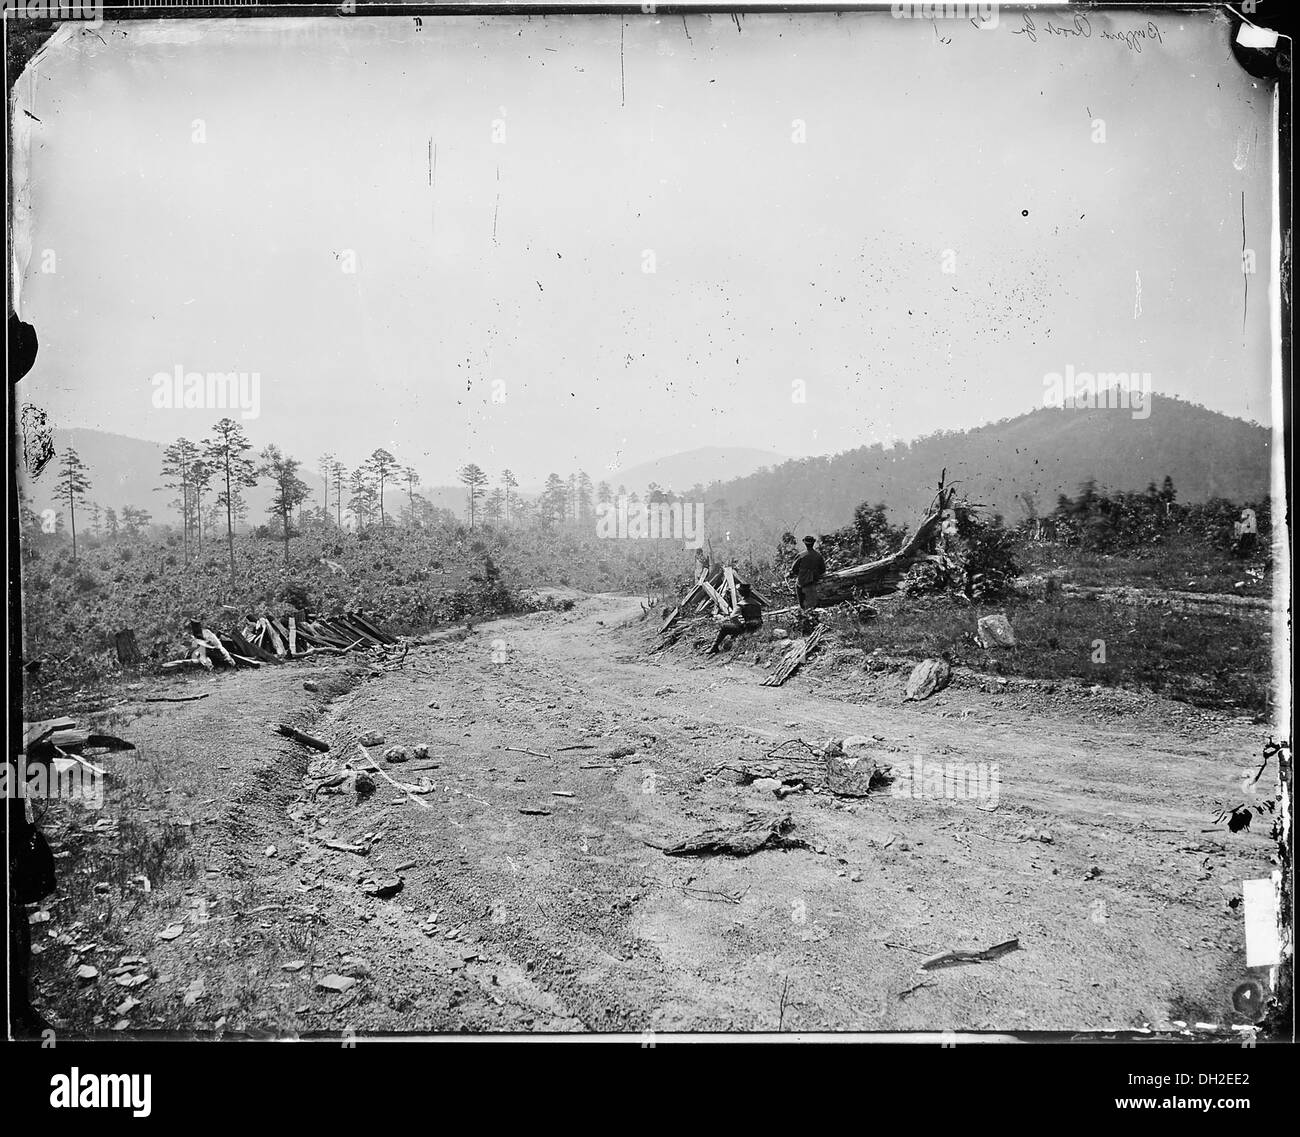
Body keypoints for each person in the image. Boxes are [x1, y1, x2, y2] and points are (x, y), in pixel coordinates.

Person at [710, 583, 764, 653]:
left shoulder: (741, 604)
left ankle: (714, 647)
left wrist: (741, 624)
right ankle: (734, 637)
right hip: (757, 627)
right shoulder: (757, 603)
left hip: (747, 628)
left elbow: (733, 617)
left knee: (724, 627)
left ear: (740, 593)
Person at [788, 535, 826, 614]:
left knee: (803, 607)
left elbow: (794, 569)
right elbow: (823, 570)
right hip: (812, 582)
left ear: (805, 544)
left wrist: (800, 574)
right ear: (813, 543)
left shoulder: (801, 555)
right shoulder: (818, 556)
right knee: (812, 608)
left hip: (800, 583)